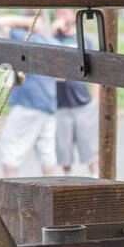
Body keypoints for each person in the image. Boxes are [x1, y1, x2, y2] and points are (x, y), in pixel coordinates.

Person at [0, 12, 59, 177]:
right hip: (48, 103)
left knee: (10, 148)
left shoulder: (22, 37)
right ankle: (51, 194)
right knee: (47, 151)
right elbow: (61, 77)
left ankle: (11, 196)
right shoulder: (51, 41)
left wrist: (26, 21)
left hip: (28, 102)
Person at [50, 9, 99, 175]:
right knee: (63, 148)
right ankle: (67, 178)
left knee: (89, 146)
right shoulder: (52, 39)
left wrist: (95, 101)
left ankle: (94, 177)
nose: (60, 18)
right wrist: (51, 31)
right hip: (60, 104)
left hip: (83, 103)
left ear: (73, 16)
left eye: (64, 14)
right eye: (57, 14)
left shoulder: (83, 40)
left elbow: (95, 72)